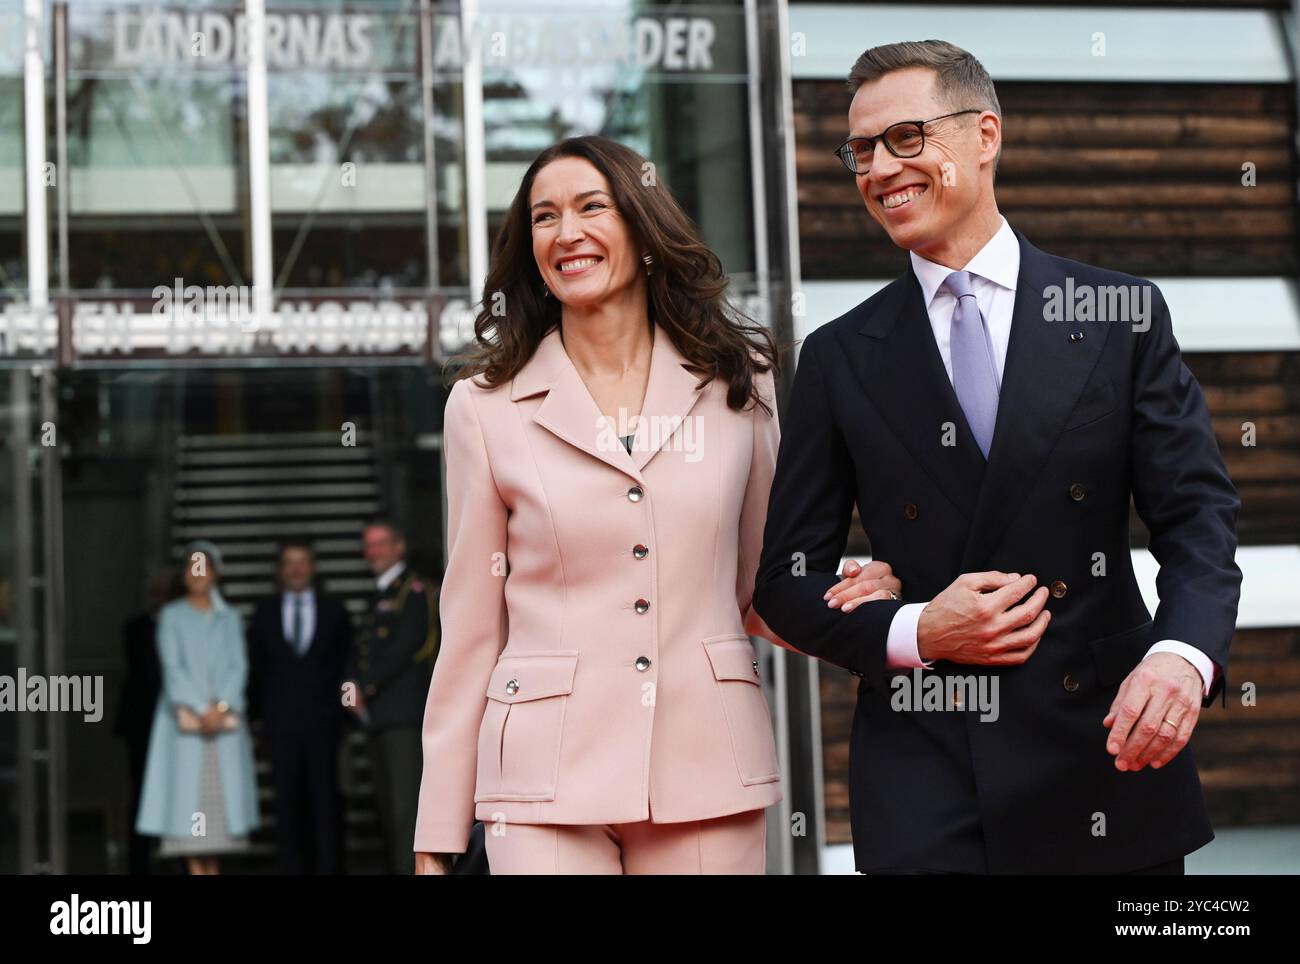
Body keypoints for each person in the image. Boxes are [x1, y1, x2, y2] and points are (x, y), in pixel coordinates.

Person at [754, 40, 1242, 874]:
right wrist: (916, 628)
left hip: (1103, 750)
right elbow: (784, 582)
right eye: (862, 150)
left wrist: (1181, 657)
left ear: (985, 136)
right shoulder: (839, 355)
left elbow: (1197, 517)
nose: (878, 168)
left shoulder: (1119, 313)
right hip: (928, 767)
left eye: (907, 137)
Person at [413, 135, 896, 875]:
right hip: (539, 782)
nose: (566, 232)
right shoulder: (483, 408)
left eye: (589, 208)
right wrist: (437, 832)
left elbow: (762, 585)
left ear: (641, 229)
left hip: (706, 767)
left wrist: (864, 611)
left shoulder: (740, 382)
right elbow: (473, 628)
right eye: (545, 217)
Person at [135, 540, 261, 875]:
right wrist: (198, 706)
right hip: (184, 727)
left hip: (223, 728)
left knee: (218, 821)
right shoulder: (171, 616)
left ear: (216, 573)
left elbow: (239, 666)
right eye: (192, 567)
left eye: (204, 566)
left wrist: (220, 707)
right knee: (188, 819)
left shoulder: (230, 617)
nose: (198, 574)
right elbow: (172, 668)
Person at [248, 539, 352, 874]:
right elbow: (256, 670)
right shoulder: (263, 612)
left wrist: (344, 716)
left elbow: (347, 666)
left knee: (326, 805)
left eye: (302, 561)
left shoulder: (335, 611)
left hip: (325, 726)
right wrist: (255, 721)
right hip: (280, 728)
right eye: (289, 562)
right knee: (287, 807)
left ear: (312, 567)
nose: (296, 568)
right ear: (280, 570)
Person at [343, 520, 438, 875]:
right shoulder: (381, 594)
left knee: (405, 810)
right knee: (387, 808)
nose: (374, 552)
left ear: (400, 546)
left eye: (381, 543)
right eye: (369, 545)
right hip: (380, 717)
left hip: (404, 716)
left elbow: (408, 645)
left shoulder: (412, 590)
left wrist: (364, 686)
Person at [114, 566, 171, 875]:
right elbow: (146, 674)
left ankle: (173, 856)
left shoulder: (188, 625)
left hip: (177, 724)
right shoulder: (135, 628)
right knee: (142, 793)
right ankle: (139, 861)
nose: (161, 596)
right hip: (143, 724)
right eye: (157, 591)